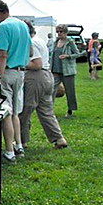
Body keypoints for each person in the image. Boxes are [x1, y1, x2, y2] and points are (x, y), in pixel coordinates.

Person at [0, 0, 32, 163]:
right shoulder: (23, 26)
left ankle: (9, 151)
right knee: (15, 113)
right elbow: (30, 50)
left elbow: (2, 56)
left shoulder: (4, 27)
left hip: (7, 72)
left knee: (6, 113)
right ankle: (18, 145)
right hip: (21, 72)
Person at [18, 21, 68, 150]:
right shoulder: (39, 40)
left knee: (24, 110)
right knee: (46, 111)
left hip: (35, 77)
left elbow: (37, 64)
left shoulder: (32, 43)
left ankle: (22, 142)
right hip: (47, 77)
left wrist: (17, 63)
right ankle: (59, 138)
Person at [51, 23, 80, 118]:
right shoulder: (56, 42)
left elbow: (77, 54)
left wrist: (67, 56)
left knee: (69, 91)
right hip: (55, 70)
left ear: (65, 32)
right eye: (58, 31)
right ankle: (49, 110)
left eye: (61, 31)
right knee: (51, 90)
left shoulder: (70, 42)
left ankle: (70, 110)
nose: (59, 33)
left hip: (67, 71)